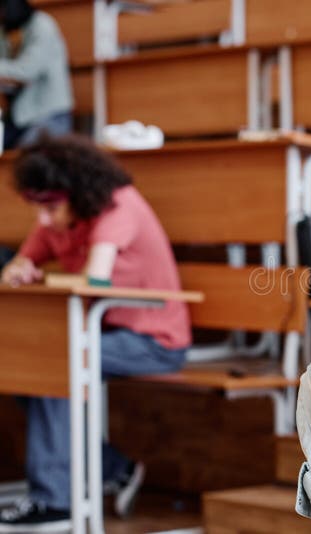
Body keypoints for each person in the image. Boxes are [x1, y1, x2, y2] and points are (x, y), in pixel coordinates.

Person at [0, 135, 190, 531]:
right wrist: (19, 272)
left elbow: (95, 281)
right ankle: (113, 468)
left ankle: (54, 501)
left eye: (50, 208)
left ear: (77, 193)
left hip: (153, 341)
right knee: (26, 370)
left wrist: (41, 280)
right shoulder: (56, 217)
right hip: (97, 335)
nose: (44, 220)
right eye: (36, 208)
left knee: (55, 363)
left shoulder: (117, 206)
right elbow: (18, 266)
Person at [0, 0, 73, 150]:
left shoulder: (42, 25)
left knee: (28, 160)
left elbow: (25, 71)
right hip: (18, 117)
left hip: (48, 116)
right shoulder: (5, 30)